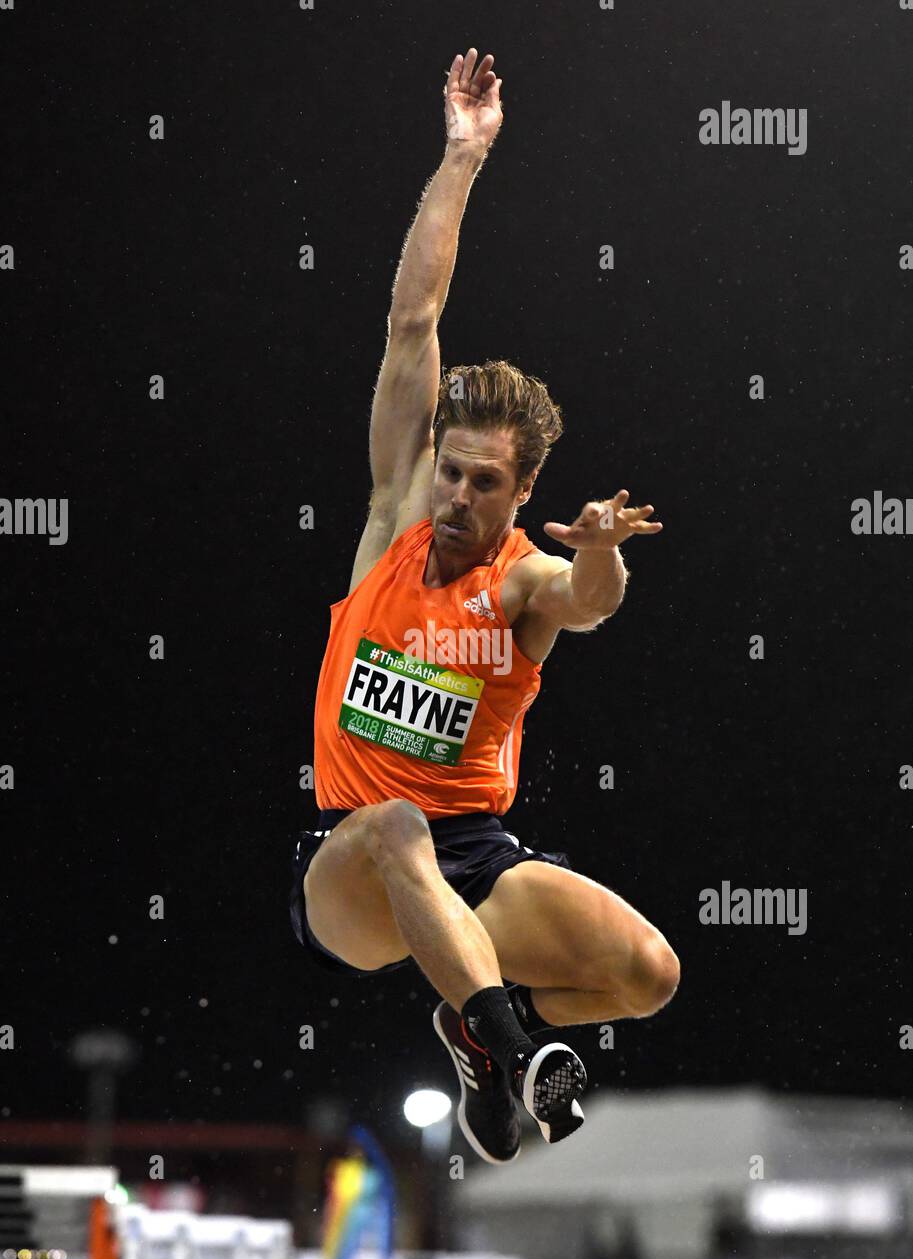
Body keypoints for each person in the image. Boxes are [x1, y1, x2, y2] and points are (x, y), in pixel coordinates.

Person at [289, 48, 680, 1165]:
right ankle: (511, 1050)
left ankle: (473, 1034)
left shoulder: (521, 581)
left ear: (523, 490)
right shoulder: (392, 522)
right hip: (354, 868)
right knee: (397, 824)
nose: (456, 494)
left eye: (483, 481)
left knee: (647, 975)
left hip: (475, 858)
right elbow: (413, 323)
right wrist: (462, 157)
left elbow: (589, 603)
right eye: (449, 470)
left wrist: (599, 555)